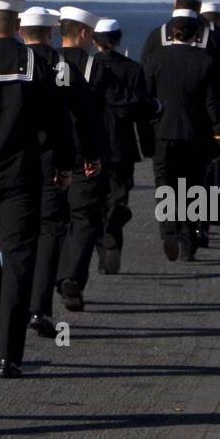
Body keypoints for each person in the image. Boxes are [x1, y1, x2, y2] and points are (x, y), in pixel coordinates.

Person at [0, 0, 74, 377]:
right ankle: (9, 353)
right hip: (22, 178)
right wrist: (63, 164)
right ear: (16, 25)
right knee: (19, 261)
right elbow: (57, 119)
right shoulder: (33, 63)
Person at [145, 9, 220, 261]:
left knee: (164, 183)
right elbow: (212, 103)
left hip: (164, 132)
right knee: (193, 189)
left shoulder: (155, 59)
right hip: (196, 134)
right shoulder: (206, 61)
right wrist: (219, 133)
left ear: (171, 33)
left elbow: (147, 98)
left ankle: (169, 228)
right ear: (196, 34)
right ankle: (189, 243)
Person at [18, 7, 70, 336]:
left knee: (18, 235)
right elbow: (66, 115)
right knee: (50, 231)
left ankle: (12, 304)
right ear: (49, 33)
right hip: (50, 158)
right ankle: (39, 308)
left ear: (22, 32)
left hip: (15, 160)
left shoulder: (14, 61)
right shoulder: (59, 64)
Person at [89, 17, 156, 270]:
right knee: (119, 197)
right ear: (118, 39)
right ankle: (112, 234)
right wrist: (148, 145)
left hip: (93, 144)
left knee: (96, 202)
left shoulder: (87, 67)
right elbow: (142, 113)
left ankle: (104, 253)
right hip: (123, 144)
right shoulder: (133, 69)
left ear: (94, 40)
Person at [52, 6, 106, 311]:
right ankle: (71, 277)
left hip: (51, 154)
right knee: (84, 217)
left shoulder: (47, 63)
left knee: (54, 219)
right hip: (82, 154)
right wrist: (96, 154)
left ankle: (53, 273)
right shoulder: (94, 68)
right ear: (85, 34)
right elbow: (99, 118)